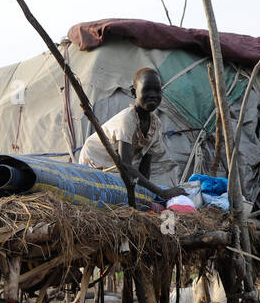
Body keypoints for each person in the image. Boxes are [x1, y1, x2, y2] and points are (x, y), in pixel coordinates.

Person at [78, 67, 184, 203]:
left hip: (115, 165)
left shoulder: (155, 124)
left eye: (157, 91)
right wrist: (162, 192)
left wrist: (146, 194)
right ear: (134, 93)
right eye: (146, 90)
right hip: (96, 159)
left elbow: (145, 167)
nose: (152, 95)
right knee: (108, 195)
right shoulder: (127, 119)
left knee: (135, 194)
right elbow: (126, 166)